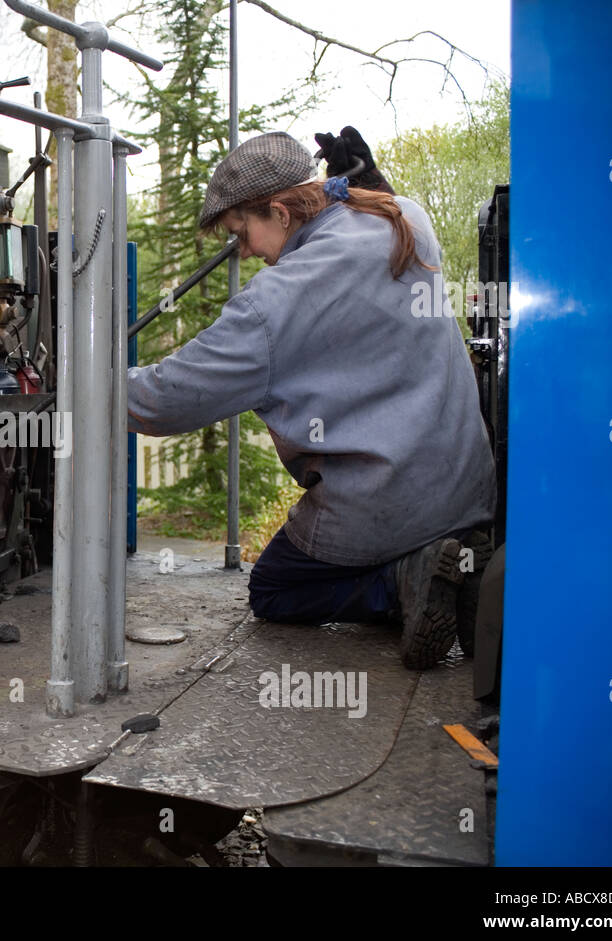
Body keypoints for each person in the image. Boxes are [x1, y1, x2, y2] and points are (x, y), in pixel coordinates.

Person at [126, 131, 496, 669]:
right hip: (466, 487)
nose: (246, 251)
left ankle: (402, 582)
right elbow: (374, 227)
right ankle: (453, 570)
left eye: (242, 232)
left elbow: (167, 399)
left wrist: (93, 382)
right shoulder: (406, 217)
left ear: (278, 210)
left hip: (389, 500)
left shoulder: (278, 302)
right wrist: (364, 183)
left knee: (273, 590)